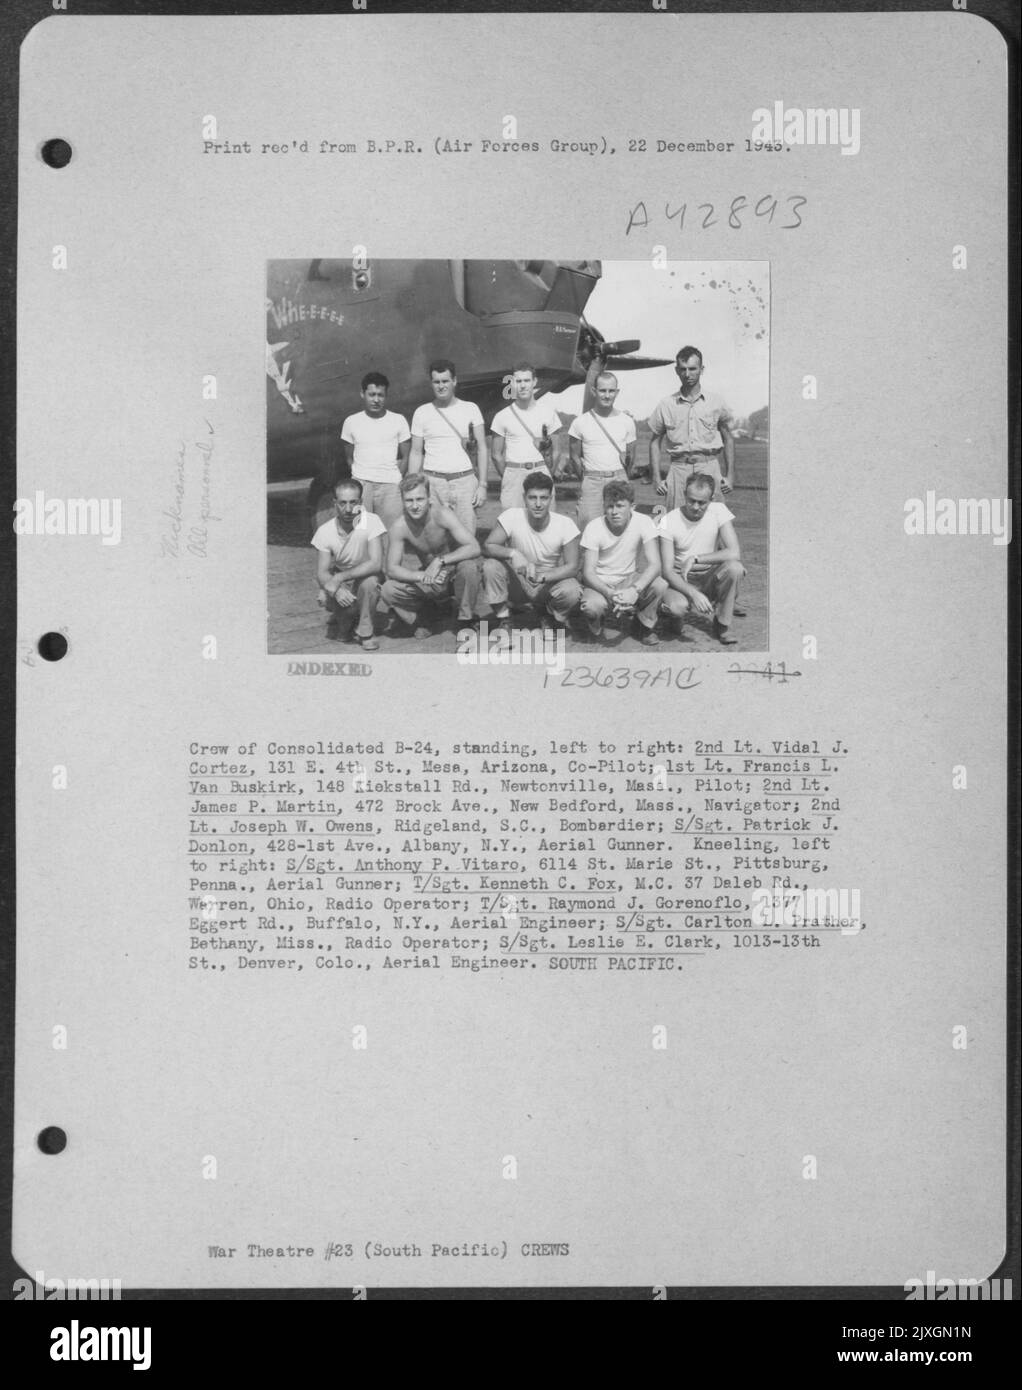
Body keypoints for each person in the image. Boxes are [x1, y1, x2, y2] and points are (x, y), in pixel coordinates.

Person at [381, 473, 483, 638]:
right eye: (409, 500)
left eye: (419, 499)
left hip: (454, 573)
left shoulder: (442, 515)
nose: (415, 506)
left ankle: (466, 620)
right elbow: (391, 569)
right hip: (430, 578)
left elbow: (474, 547)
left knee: (470, 567)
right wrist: (420, 575)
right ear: (402, 501)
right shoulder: (399, 527)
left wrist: (440, 561)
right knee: (388, 590)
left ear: (429, 498)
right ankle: (424, 618)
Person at [482, 472, 582, 634]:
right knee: (490, 566)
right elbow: (488, 546)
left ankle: (551, 617)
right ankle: (504, 618)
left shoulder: (565, 524)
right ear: (524, 497)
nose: (538, 504)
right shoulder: (511, 516)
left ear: (551, 498)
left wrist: (542, 577)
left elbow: (572, 567)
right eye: (532, 497)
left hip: (547, 583)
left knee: (572, 589)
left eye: (543, 498)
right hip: (518, 581)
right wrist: (514, 553)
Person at [657, 473, 746, 645]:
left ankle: (722, 624)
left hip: (707, 577)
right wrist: (693, 593)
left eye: (702, 502)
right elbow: (667, 571)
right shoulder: (668, 520)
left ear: (711, 499)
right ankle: (671, 614)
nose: (695, 507)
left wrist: (696, 558)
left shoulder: (719, 510)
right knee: (677, 608)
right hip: (679, 580)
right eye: (691, 500)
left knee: (734, 568)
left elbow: (734, 552)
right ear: (684, 495)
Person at [579, 479, 668, 646]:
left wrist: (635, 590)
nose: (614, 512)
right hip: (600, 582)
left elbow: (655, 564)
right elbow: (588, 572)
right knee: (592, 605)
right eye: (609, 506)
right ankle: (596, 626)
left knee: (659, 584)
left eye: (620, 506)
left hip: (627, 579)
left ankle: (643, 625)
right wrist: (608, 592)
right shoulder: (594, 527)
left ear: (632, 507)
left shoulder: (644, 522)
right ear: (604, 506)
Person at [648, 345, 736, 508]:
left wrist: (730, 476)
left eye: (692, 369)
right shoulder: (666, 404)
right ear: (676, 370)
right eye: (683, 369)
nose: (687, 374)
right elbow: (654, 442)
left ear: (702, 369)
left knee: (713, 522)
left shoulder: (716, 402)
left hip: (709, 467)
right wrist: (656, 479)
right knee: (676, 524)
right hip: (678, 470)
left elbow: (728, 438)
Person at [409, 360, 488, 533]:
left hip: (464, 482)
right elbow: (416, 452)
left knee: (467, 537)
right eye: (436, 382)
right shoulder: (422, 412)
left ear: (455, 381)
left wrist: (482, 485)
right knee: (435, 538)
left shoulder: (470, 408)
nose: (441, 386)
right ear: (431, 383)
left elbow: (482, 448)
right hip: (433, 483)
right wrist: (413, 486)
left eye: (445, 381)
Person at [310, 478, 384, 650]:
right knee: (343, 623)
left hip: (365, 574)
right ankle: (346, 617)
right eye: (342, 503)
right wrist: (337, 588)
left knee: (370, 583)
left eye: (353, 502)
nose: (348, 509)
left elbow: (375, 564)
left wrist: (339, 578)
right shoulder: (325, 531)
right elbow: (321, 572)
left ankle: (366, 631)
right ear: (335, 503)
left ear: (361, 502)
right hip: (342, 578)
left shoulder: (371, 521)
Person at [339, 371, 410, 530]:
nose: (376, 399)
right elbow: (349, 457)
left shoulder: (398, 420)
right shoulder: (351, 422)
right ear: (362, 394)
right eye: (371, 394)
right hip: (362, 488)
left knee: (391, 536)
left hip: (391, 488)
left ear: (386, 396)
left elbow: (406, 456)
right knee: (362, 535)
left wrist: (396, 480)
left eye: (380, 395)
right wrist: (360, 479)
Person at [489, 363, 565, 511]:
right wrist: (509, 476)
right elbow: (496, 455)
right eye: (518, 381)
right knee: (513, 523)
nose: (522, 386)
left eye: (526, 381)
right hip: (514, 473)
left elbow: (557, 451)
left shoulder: (548, 413)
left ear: (534, 382)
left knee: (544, 525)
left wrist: (548, 473)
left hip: (541, 471)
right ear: (512, 383)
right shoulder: (502, 416)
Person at [567, 372, 636, 529]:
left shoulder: (627, 421)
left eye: (611, 391)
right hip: (592, 482)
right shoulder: (580, 422)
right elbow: (574, 457)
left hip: (619, 478)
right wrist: (586, 479)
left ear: (617, 392)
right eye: (602, 391)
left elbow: (631, 457)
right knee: (588, 529)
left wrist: (621, 476)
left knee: (621, 530)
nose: (607, 395)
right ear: (593, 391)